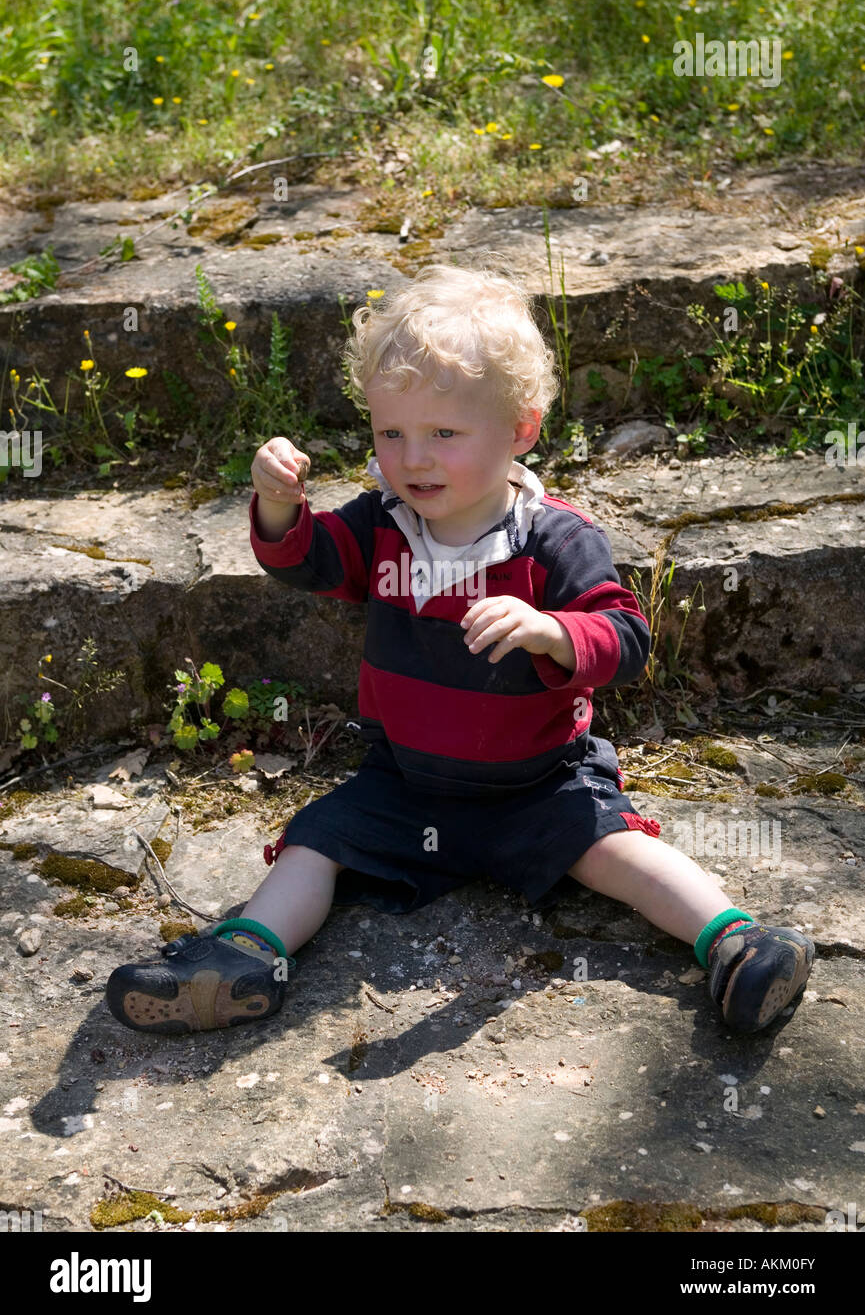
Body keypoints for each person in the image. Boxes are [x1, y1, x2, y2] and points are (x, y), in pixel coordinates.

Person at [106, 262, 813, 1036]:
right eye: (391, 433)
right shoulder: (383, 522)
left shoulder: (553, 539)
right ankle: (246, 959)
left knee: (613, 849)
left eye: (444, 434)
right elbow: (305, 562)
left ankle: (737, 945)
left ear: (520, 429)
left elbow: (626, 639)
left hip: (537, 785)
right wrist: (279, 507)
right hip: (403, 787)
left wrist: (552, 631)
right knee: (314, 840)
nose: (413, 459)